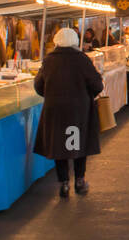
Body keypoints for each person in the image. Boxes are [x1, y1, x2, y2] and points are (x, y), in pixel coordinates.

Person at [33, 27, 104, 198]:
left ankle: (64, 183)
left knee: (60, 146)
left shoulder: (49, 60)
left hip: (55, 110)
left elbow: (38, 85)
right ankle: (79, 180)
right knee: (78, 144)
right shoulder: (82, 59)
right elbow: (97, 85)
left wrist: (50, 96)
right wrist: (87, 96)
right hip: (78, 110)